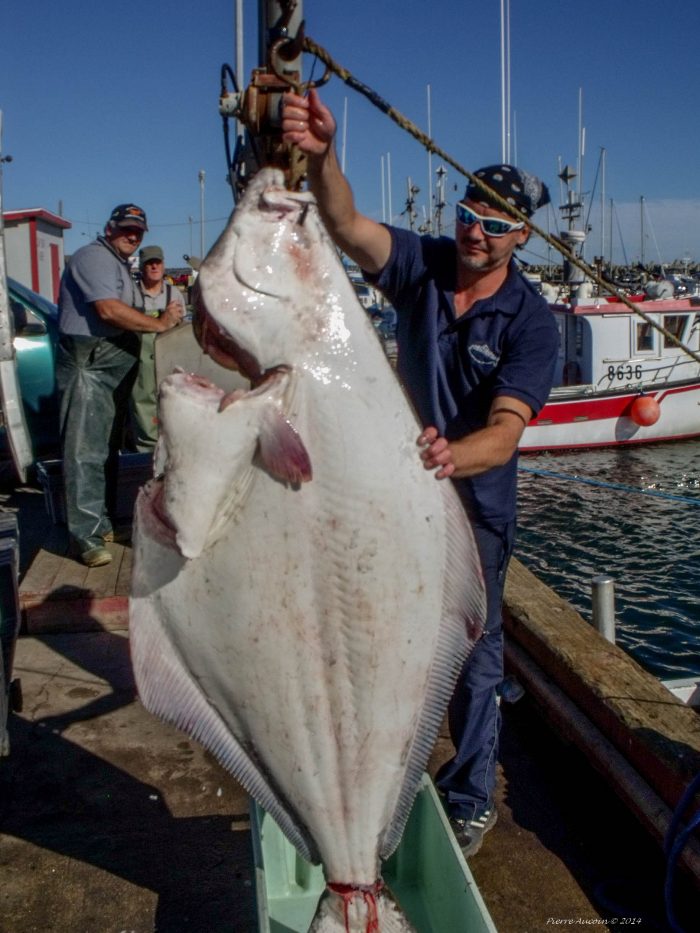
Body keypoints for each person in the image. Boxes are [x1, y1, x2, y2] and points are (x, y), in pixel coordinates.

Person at [282, 90, 560, 857]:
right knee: (378, 636)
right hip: (391, 500)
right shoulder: (423, 267)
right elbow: (345, 224)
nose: (476, 229)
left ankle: (471, 791)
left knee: (475, 651)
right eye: (470, 211)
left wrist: (448, 456)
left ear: (522, 236)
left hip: (472, 510)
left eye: (497, 222)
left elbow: (503, 436)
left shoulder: (534, 323)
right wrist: (326, 152)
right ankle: (378, 777)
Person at [57, 204, 184, 568]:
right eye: (126, 229)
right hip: (89, 364)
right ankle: (85, 537)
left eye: (139, 231)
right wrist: (160, 325)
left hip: (112, 364)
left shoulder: (117, 264)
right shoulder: (93, 258)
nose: (133, 235)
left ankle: (103, 524)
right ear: (110, 227)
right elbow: (109, 311)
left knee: (106, 449)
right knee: (84, 450)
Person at [130, 245, 187, 452]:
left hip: (170, 360)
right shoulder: (131, 294)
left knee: (173, 404)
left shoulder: (175, 294)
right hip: (141, 362)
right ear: (142, 268)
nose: (154, 267)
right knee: (143, 408)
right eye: (149, 263)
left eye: (158, 262)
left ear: (163, 265)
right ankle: (146, 456)